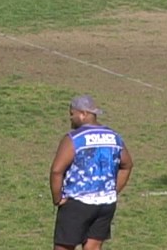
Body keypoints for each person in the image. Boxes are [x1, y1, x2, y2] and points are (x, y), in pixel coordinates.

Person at [49, 95, 134, 250]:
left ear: (83, 113)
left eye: (72, 113)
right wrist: (113, 191)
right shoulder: (114, 137)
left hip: (77, 203)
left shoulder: (74, 138)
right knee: (93, 247)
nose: (70, 118)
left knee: (64, 247)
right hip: (106, 203)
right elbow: (127, 165)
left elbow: (56, 171)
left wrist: (57, 198)